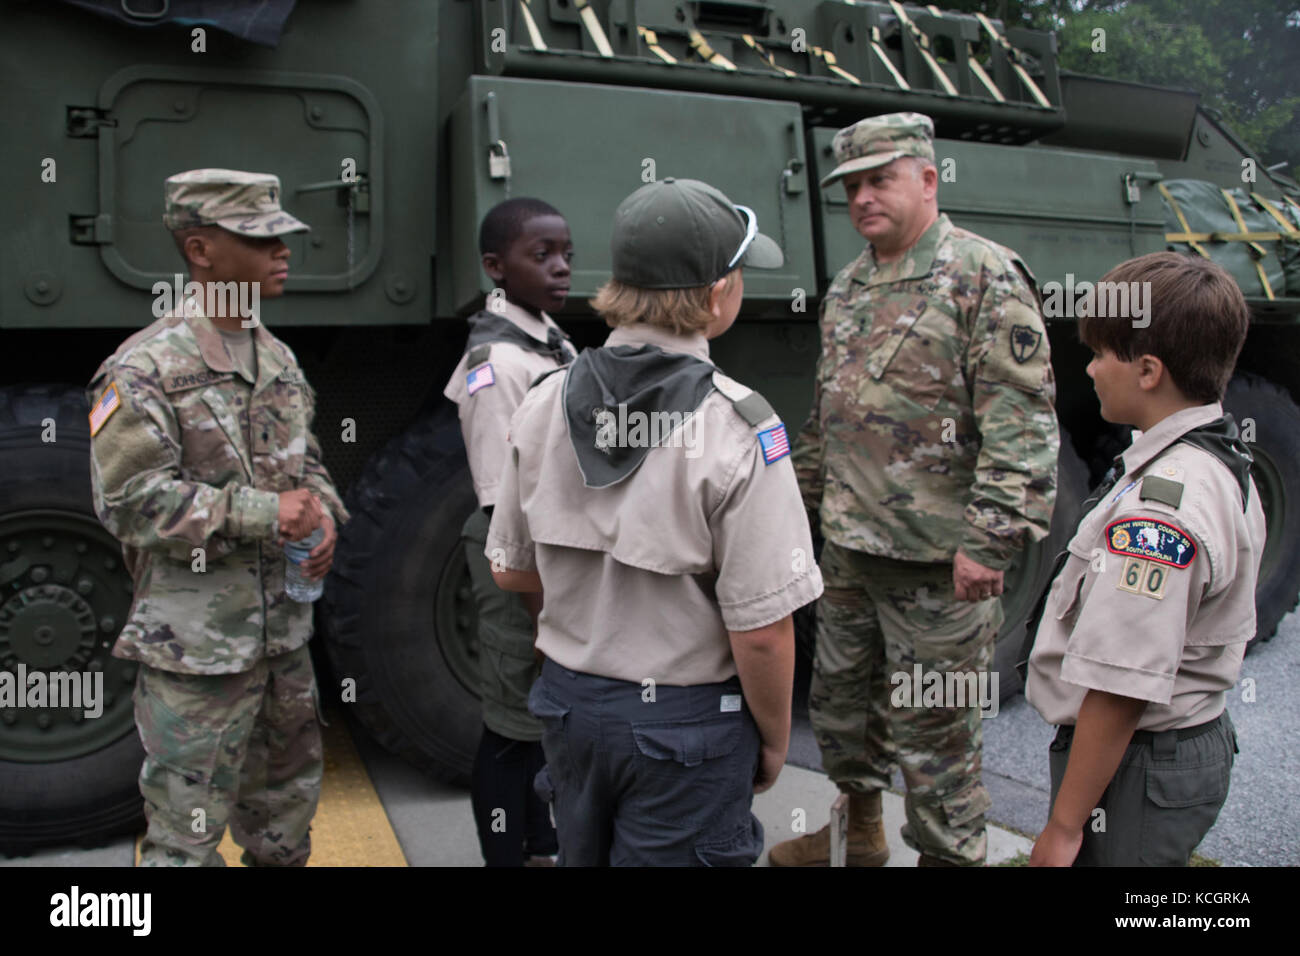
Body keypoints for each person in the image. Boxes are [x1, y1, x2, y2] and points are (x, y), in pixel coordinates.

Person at [485, 177, 824, 866]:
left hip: (570, 707)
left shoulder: (545, 399)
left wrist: (584, 643)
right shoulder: (740, 424)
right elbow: (762, 628)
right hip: (686, 730)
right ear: (713, 296)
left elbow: (510, 568)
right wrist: (774, 739)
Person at [774, 112, 1059, 867]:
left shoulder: (983, 275)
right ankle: (858, 836)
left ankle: (948, 856)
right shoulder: (850, 287)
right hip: (850, 558)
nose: (863, 197)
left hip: (939, 570)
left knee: (937, 742)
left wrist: (990, 540)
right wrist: (782, 514)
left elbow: (1021, 424)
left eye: (880, 180)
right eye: (852, 186)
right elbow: (829, 421)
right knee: (841, 715)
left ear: (928, 180)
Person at [87, 168, 347, 866]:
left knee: (286, 835)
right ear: (200, 250)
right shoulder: (144, 368)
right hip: (198, 659)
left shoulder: (278, 359)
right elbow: (131, 503)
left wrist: (322, 517)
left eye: (282, 238)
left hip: (282, 647)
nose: (282, 252)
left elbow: (309, 463)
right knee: (185, 844)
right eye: (259, 240)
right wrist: (269, 513)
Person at [1024, 252, 1263, 866]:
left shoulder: (1159, 511)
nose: (1092, 368)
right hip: (1163, 752)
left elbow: (1120, 686)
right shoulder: (1214, 455)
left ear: (1149, 370)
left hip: (1136, 766)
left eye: (1102, 353)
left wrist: (1066, 825)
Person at [443, 197, 576, 866]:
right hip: (517, 561)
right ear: (495, 267)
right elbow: (505, 509)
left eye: (566, 255)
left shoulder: (545, 336)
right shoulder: (497, 363)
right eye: (541, 255)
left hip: (548, 556)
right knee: (510, 727)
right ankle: (504, 853)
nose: (560, 268)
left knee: (538, 719)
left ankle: (541, 841)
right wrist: (545, 615)